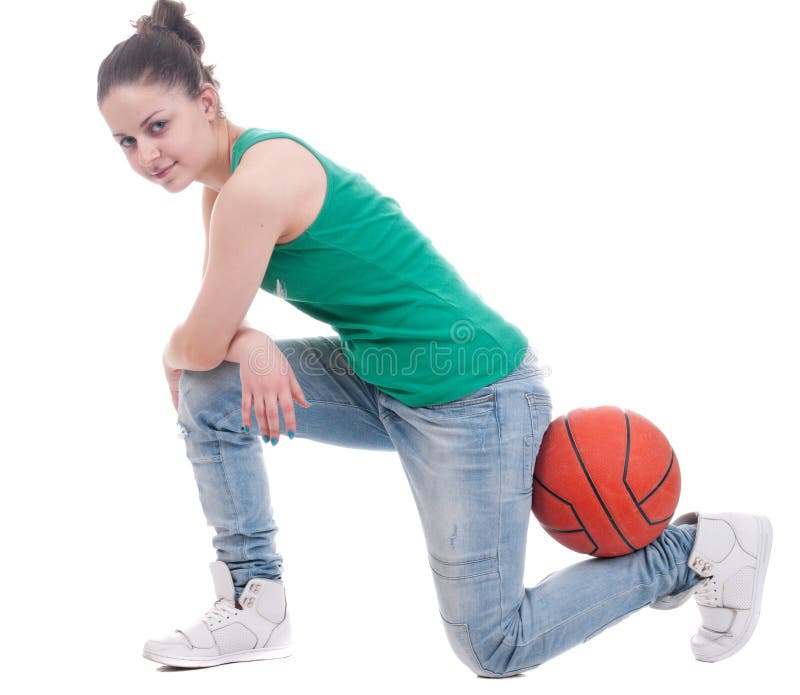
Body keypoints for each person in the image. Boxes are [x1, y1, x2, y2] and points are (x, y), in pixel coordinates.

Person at [97, 0, 772, 675]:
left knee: (494, 643)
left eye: (158, 127)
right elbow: (215, 339)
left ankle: (695, 550)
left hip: (475, 393)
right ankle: (255, 602)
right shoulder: (223, 194)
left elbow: (198, 338)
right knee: (214, 390)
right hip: (388, 375)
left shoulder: (254, 185)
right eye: (126, 140)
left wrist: (204, 346)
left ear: (206, 102)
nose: (146, 154)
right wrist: (243, 345)